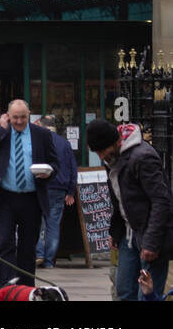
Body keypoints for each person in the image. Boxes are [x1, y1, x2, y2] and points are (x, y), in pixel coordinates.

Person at [86, 118, 173, 301]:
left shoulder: (142, 157)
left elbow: (161, 201)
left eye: (103, 151)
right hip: (128, 234)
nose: (101, 156)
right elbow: (119, 198)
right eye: (97, 152)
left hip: (150, 235)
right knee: (124, 290)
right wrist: (115, 231)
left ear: (117, 141)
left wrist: (151, 242)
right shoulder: (112, 158)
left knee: (146, 294)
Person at [0, 100, 58, 287]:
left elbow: (55, 163)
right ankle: (4, 290)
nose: (18, 121)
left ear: (29, 115)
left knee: (28, 249)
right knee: (4, 245)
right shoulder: (1, 132)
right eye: (15, 117)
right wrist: (1, 130)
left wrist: (49, 171)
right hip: (6, 197)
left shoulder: (41, 134)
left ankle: (26, 291)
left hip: (32, 198)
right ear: (7, 116)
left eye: (23, 117)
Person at [35, 115, 78, 269]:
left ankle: (39, 254)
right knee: (53, 225)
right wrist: (71, 191)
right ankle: (48, 260)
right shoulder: (65, 143)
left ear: (41, 125)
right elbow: (73, 167)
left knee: (37, 222)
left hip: (41, 186)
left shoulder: (39, 141)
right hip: (59, 189)